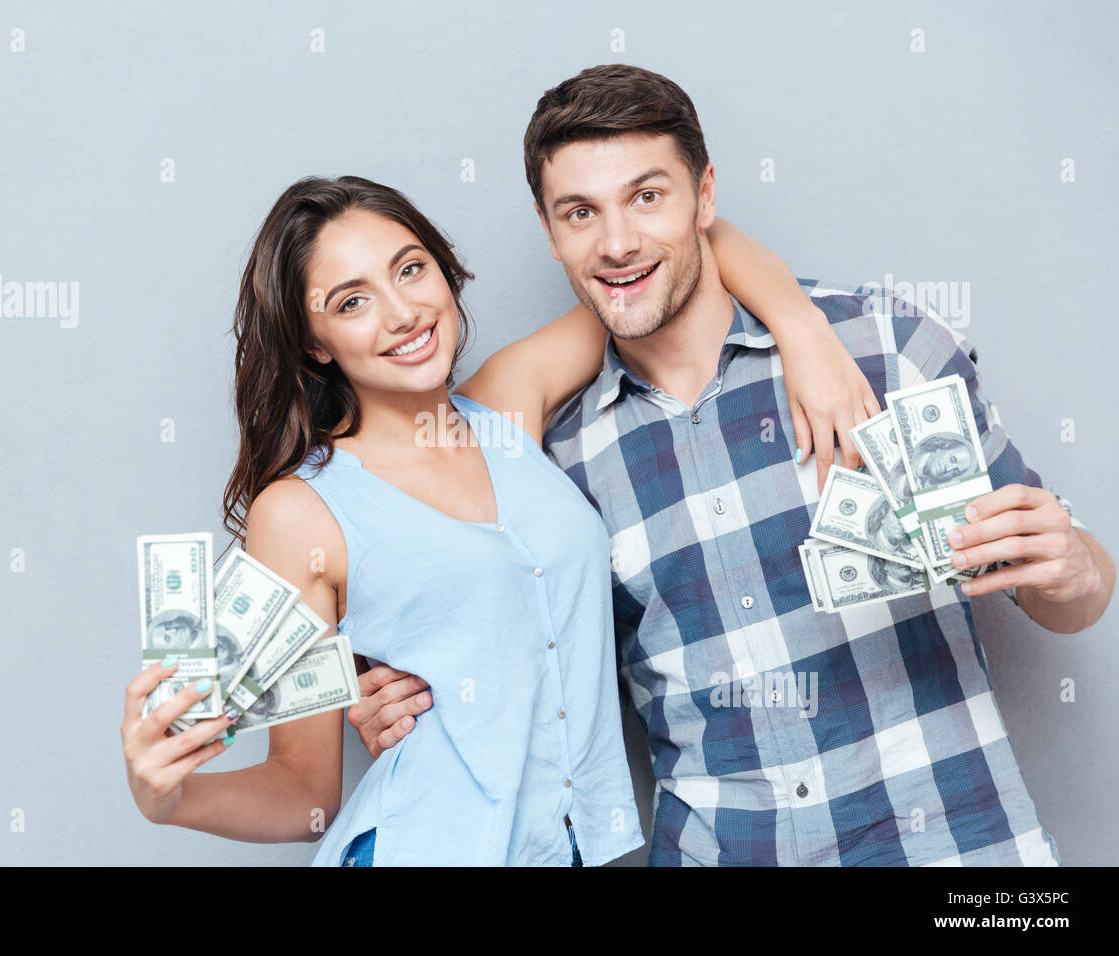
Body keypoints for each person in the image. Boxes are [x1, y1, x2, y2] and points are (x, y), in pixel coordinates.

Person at [354, 64, 1115, 866]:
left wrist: (1075, 572)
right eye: (581, 212)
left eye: (648, 196)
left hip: (957, 849)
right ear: (550, 233)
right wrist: (407, 707)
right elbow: (523, 674)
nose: (616, 242)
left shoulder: (882, 348)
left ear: (705, 198)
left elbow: (1070, 593)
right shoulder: (549, 464)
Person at [119, 167, 881, 865]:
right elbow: (306, 794)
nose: (402, 313)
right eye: (352, 302)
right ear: (316, 343)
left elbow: (686, 257)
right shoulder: (303, 511)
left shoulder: (511, 404)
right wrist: (171, 798)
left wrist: (805, 335)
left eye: (410, 270)